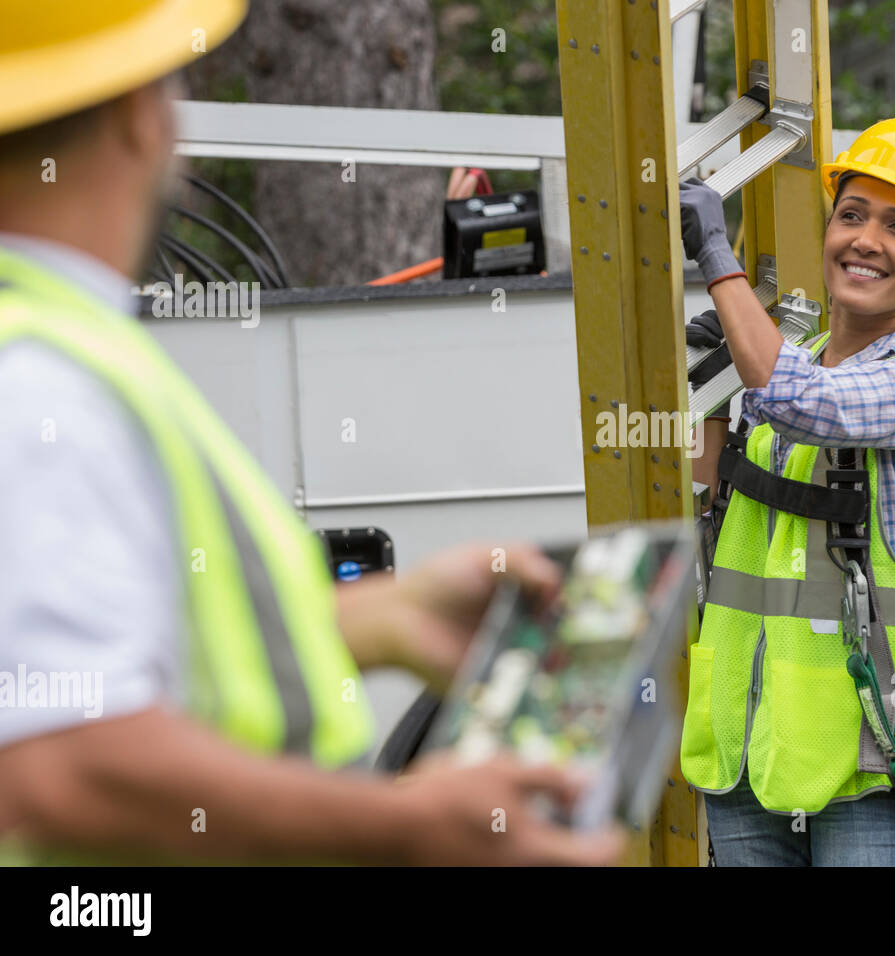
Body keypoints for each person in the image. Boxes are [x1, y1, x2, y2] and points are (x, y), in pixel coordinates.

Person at [0, 0, 624, 867]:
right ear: (143, 116)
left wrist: (380, 618)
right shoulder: (41, 380)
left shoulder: (54, 350)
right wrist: (410, 826)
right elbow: (62, 766)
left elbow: (129, 666)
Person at [678, 113, 895, 867]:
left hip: (863, 775)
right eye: (851, 215)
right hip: (747, 760)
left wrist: (717, 259)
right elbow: (709, 509)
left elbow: (809, 404)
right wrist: (707, 401)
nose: (866, 240)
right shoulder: (795, 364)